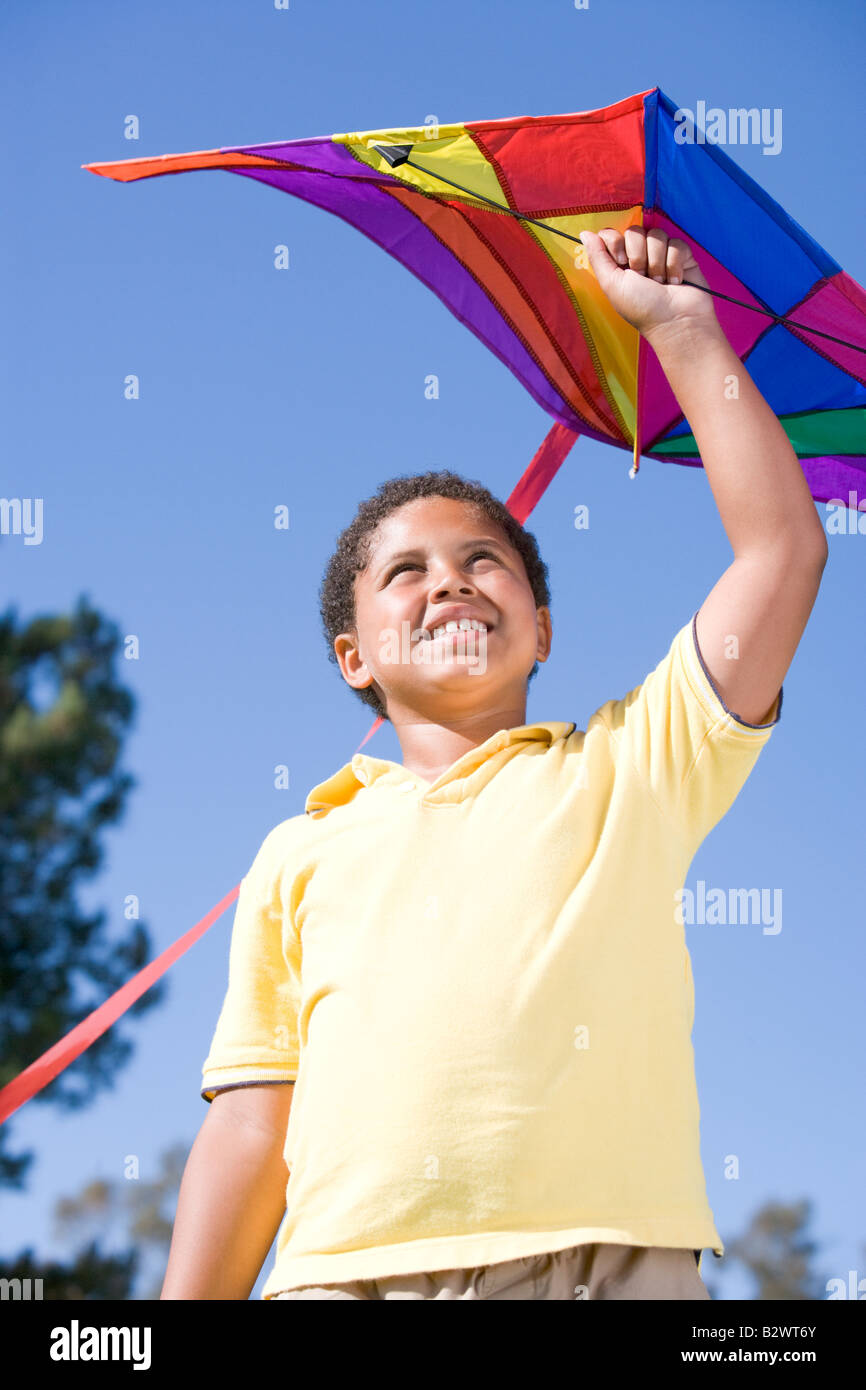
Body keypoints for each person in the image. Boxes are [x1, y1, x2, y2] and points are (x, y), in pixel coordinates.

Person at [161, 225, 828, 1301]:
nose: (454, 582)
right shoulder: (299, 851)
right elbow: (248, 1127)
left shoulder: (628, 766)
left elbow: (781, 552)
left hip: (606, 1264)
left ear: (542, 629)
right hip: (344, 1282)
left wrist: (682, 328)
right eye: (408, 571)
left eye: (486, 561)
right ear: (354, 656)